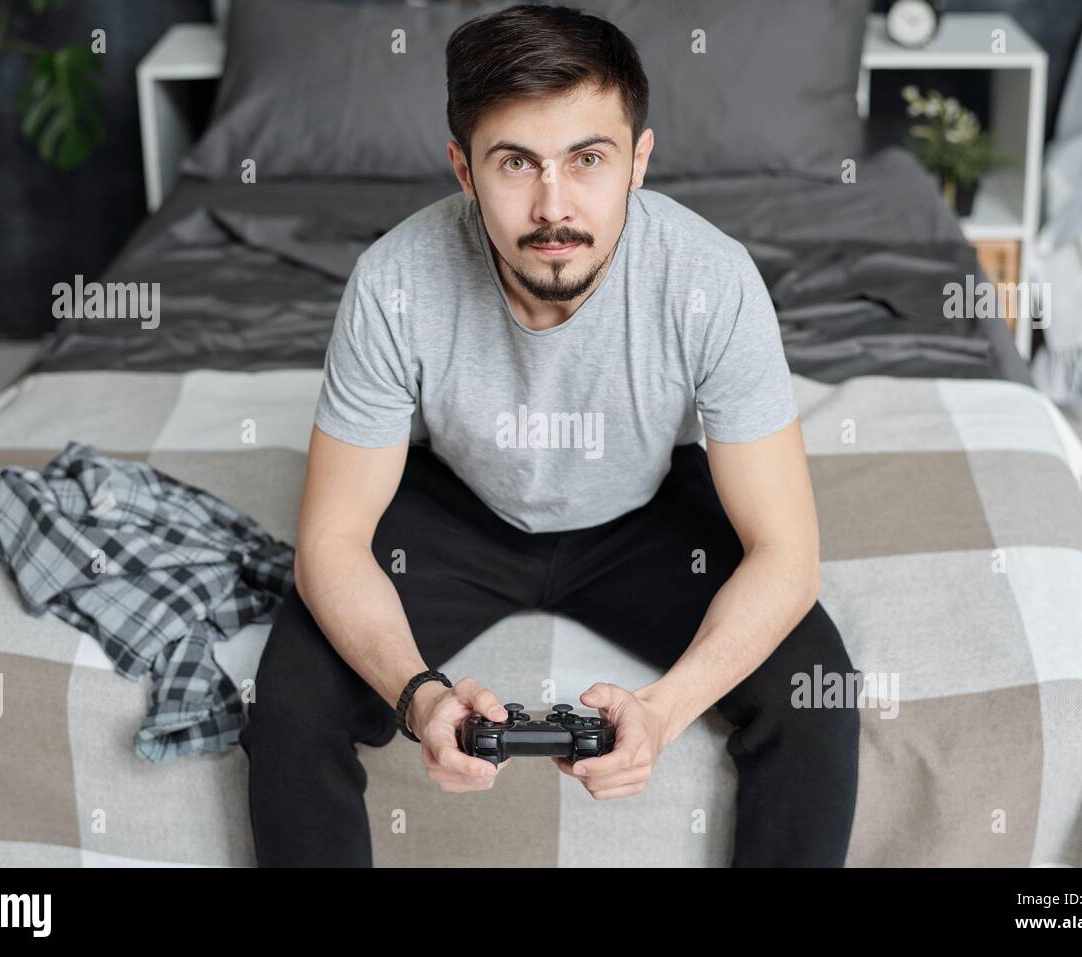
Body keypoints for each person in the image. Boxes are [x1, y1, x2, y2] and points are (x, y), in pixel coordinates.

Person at [240, 2, 860, 868]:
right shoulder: (392, 283)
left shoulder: (712, 281)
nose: (553, 205)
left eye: (588, 160)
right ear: (462, 168)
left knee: (816, 691)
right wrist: (421, 698)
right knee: (290, 699)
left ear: (639, 162)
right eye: (515, 163)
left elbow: (788, 555)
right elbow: (331, 543)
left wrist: (664, 711)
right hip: (460, 508)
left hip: (648, 511)